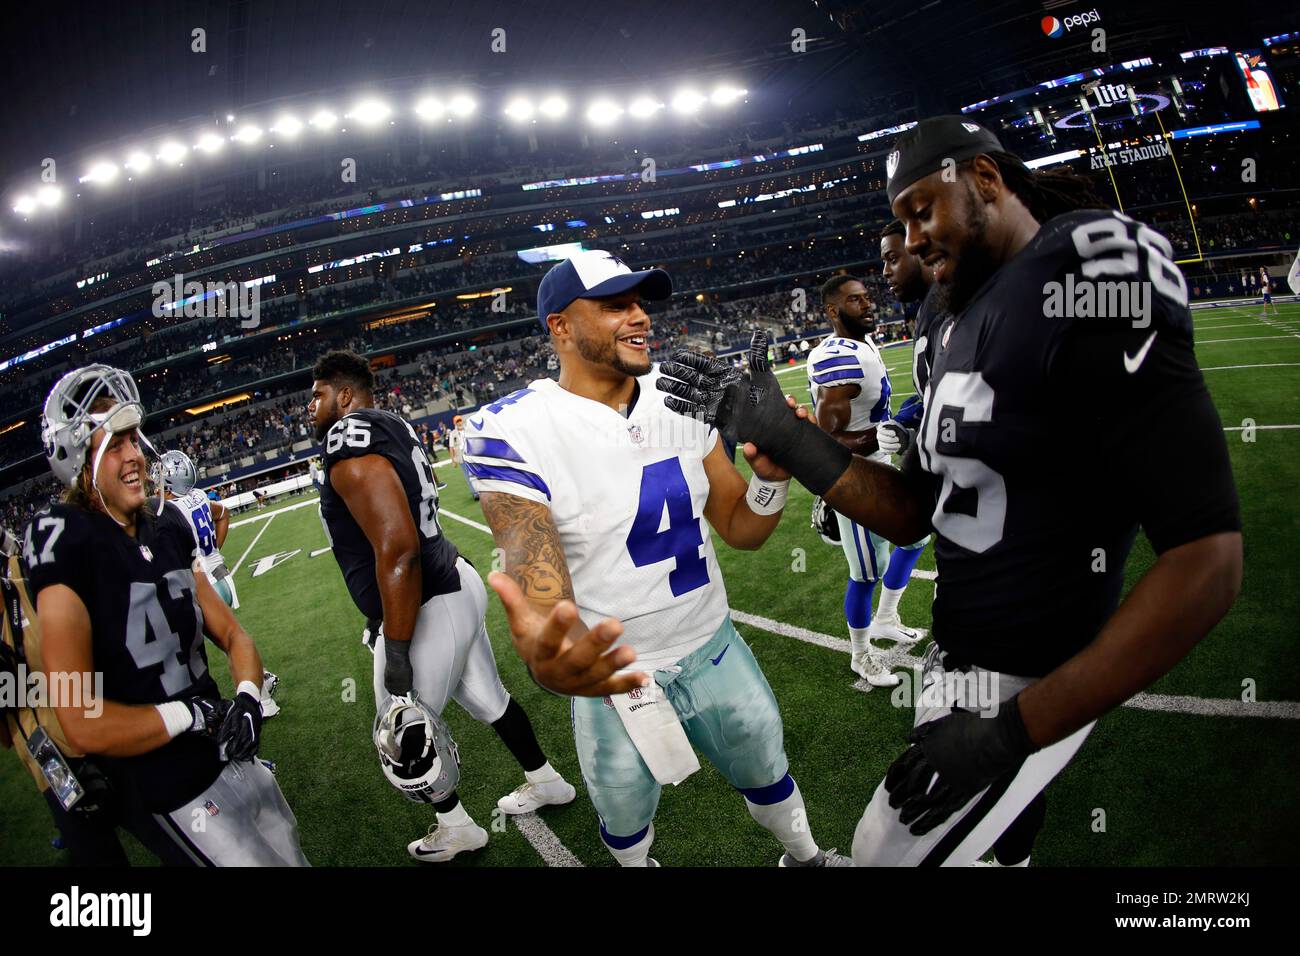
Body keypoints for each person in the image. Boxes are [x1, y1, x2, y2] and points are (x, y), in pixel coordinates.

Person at [656, 116, 1241, 866]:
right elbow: (911, 513)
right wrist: (781, 432)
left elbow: (1207, 559)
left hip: (1034, 665)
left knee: (880, 850)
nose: (912, 237)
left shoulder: (1085, 266)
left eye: (921, 210)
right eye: (900, 221)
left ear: (987, 181)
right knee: (995, 843)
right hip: (960, 646)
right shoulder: (955, 317)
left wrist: (1012, 728)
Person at [474, 250, 849, 867]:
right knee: (623, 815)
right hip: (617, 673)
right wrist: (552, 651)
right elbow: (537, 582)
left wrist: (773, 480)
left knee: (767, 766)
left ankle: (804, 857)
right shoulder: (515, 430)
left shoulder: (680, 398)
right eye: (615, 304)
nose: (639, 316)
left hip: (711, 640)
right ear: (560, 326)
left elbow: (741, 527)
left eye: (640, 302)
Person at [29, 364, 308, 866]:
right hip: (166, 785)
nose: (135, 454)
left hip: (227, 751)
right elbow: (79, 719)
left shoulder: (169, 526)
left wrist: (246, 696)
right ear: (76, 458)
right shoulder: (66, 541)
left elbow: (233, 634)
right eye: (114, 443)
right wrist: (189, 715)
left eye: (134, 437)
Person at [309, 350, 574, 863]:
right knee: (488, 700)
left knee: (400, 726)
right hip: (452, 582)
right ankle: (546, 781)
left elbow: (398, 548)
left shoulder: (350, 435)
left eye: (317, 395)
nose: (310, 408)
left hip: (424, 600)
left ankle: (457, 827)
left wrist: (399, 646)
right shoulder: (392, 426)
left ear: (344, 396)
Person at [807, 274, 928, 687]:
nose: (868, 304)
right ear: (832, 311)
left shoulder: (863, 344)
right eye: (855, 301)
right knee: (865, 572)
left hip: (879, 463)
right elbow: (826, 441)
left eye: (866, 297)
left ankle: (887, 617)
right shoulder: (838, 357)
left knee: (915, 537)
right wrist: (878, 435)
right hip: (852, 477)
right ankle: (861, 654)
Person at [446, 416, 478, 501]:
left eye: (460, 421)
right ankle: (475, 493)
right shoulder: (453, 434)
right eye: (457, 421)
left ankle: (481, 491)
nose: (459, 423)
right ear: (455, 423)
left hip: (471, 455)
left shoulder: (467, 430)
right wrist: (453, 460)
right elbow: (451, 447)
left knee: (476, 473)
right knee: (468, 476)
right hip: (461, 457)